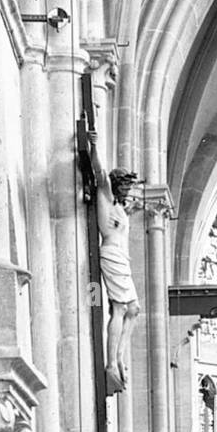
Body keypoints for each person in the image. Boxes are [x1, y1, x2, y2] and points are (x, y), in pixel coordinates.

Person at [88, 132, 140, 394]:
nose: (128, 191)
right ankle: (110, 363)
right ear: (116, 184)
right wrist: (95, 144)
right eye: (126, 186)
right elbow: (99, 170)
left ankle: (120, 356)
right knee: (120, 308)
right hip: (110, 253)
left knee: (134, 309)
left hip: (121, 257)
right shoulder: (105, 194)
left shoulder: (120, 206)